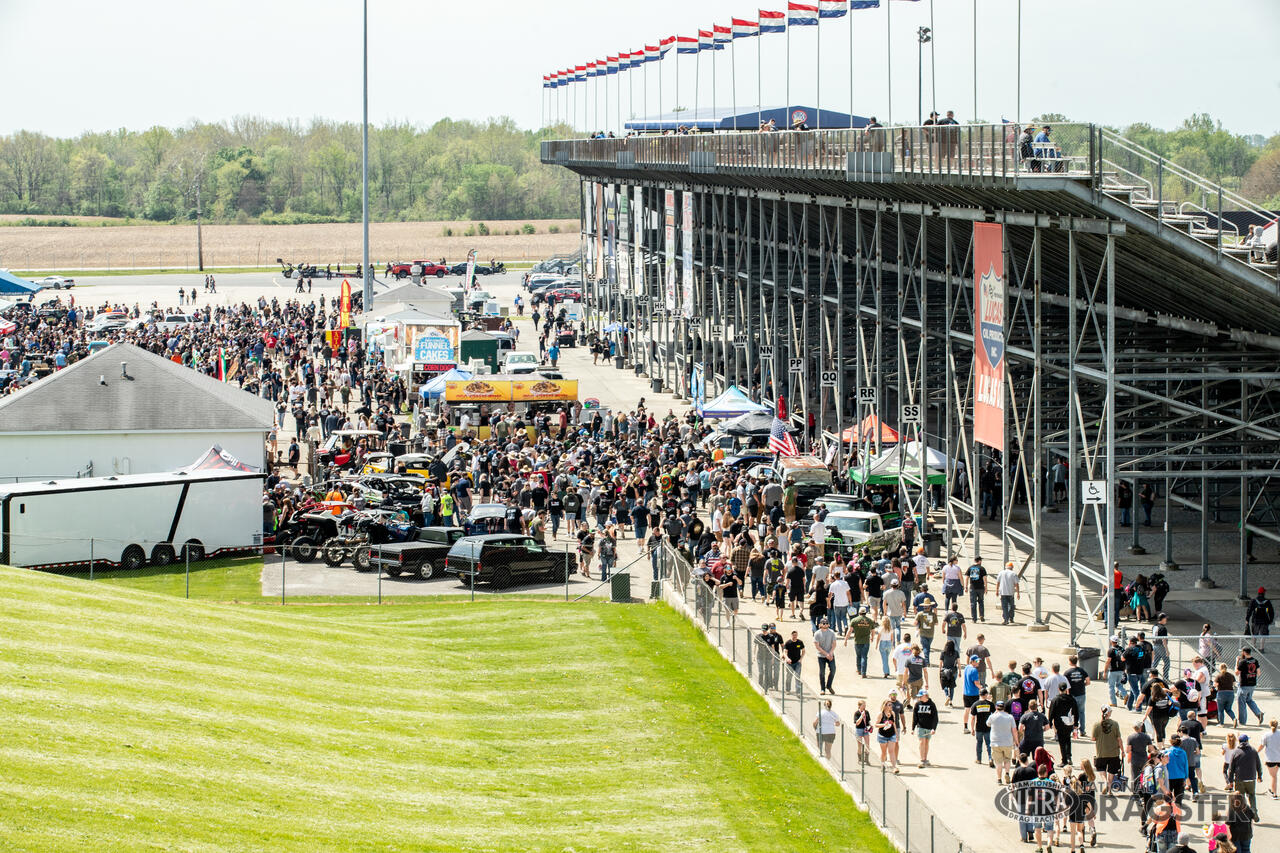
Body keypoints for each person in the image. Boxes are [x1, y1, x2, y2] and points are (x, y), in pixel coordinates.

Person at [1091, 705, 1124, 792]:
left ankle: (1105, 782)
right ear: (1109, 713)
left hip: (1101, 752)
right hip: (1114, 753)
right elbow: (1119, 739)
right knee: (1112, 771)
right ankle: (1109, 789)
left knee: (1101, 769)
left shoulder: (1097, 724)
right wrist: (1123, 751)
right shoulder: (1115, 724)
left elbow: (1093, 738)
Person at [1229, 733, 1263, 811]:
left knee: (1239, 797)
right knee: (1252, 795)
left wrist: (1230, 781)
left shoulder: (1236, 752)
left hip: (1239, 779)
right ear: (1247, 741)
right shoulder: (1253, 751)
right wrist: (1259, 776)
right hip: (1251, 778)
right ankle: (1253, 811)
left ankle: (1241, 813)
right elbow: (1258, 764)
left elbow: (1231, 768)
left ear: (1239, 741)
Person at [989, 699, 1019, 784]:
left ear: (996, 707)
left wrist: (994, 713)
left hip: (995, 742)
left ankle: (999, 779)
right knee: (1007, 759)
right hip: (1007, 742)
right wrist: (1016, 741)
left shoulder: (992, 717)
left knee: (998, 762)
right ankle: (1007, 773)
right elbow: (1014, 730)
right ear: (1004, 708)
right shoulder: (1010, 717)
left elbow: (988, 724)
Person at [1048, 684, 1078, 765]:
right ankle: (1069, 757)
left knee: (1062, 741)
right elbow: (1076, 711)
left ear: (1058, 689)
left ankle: (1064, 760)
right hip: (1069, 723)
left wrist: (1050, 722)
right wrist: (1076, 723)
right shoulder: (1072, 699)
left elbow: (1051, 712)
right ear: (1066, 689)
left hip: (1059, 723)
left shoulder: (1056, 700)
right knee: (1068, 739)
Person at [843, 605, 875, 678]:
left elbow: (849, 631)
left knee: (858, 656)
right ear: (865, 612)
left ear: (859, 612)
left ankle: (859, 670)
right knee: (864, 656)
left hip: (857, 641)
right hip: (866, 641)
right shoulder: (870, 621)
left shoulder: (854, 620)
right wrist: (872, 637)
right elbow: (873, 631)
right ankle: (864, 673)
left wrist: (846, 639)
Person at [1236, 646, 1265, 726]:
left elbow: (1236, 672)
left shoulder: (1243, 662)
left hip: (1244, 685)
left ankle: (1242, 721)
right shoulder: (1255, 661)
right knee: (1249, 700)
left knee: (1241, 703)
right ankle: (1258, 713)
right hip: (1252, 684)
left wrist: (1237, 662)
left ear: (1244, 652)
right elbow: (1258, 673)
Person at [912, 687, 939, 768]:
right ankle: (922, 759)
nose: (919, 698)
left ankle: (925, 758)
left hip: (929, 727)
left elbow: (935, 717)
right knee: (922, 742)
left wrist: (934, 728)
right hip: (920, 726)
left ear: (925, 695)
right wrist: (913, 728)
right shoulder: (917, 704)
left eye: (920, 696)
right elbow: (915, 717)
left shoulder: (932, 704)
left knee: (926, 742)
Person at [875, 698, 900, 773]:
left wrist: (896, 734)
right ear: (885, 706)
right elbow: (876, 725)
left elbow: (894, 724)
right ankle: (882, 764)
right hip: (882, 735)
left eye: (891, 705)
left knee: (891, 751)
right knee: (884, 752)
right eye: (889, 705)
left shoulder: (892, 713)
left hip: (891, 734)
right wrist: (883, 724)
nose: (891, 706)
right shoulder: (881, 714)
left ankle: (894, 767)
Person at [1245, 588, 1274, 653]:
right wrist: (1270, 620)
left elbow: (1249, 610)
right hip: (1265, 621)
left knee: (1254, 634)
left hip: (1255, 620)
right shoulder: (1267, 601)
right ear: (1264, 593)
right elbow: (1271, 612)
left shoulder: (1254, 601)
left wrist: (1247, 619)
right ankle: (1261, 648)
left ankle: (1253, 646)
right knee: (1263, 635)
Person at [813, 617, 837, 695]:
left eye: (827, 623)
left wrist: (830, 653)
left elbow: (834, 644)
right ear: (820, 624)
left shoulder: (832, 632)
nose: (825, 625)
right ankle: (822, 689)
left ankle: (829, 686)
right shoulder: (817, 633)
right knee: (822, 672)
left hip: (830, 655)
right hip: (821, 656)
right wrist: (826, 654)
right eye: (823, 623)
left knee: (833, 670)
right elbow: (817, 646)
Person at [971, 687, 995, 766]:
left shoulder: (975, 704)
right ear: (986, 695)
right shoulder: (990, 704)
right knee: (989, 744)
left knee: (979, 743)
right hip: (988, 727)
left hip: (979, 728)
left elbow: (973, 718)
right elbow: (994, 715)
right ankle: (990, 758)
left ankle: (979, 759)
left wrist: (972, 729)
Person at [996, 560, 1021, 625]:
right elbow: (1017, 584)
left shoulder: (1001, 573)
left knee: (1004, 607)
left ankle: (1006, 619)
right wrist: (1018, 593)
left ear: (1006, 567)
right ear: (1012, 567)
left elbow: (998, 582)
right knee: (1011, 606)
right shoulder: (1013, 574)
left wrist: (997, 590)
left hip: (1003, 592)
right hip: (1011, 593)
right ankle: (1011, 618)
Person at [1261, 718, 1280, 799]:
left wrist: (1256, 752)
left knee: (1273, 776)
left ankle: (1274, 793)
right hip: (1279, 758)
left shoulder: (1266, 735)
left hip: (1270, 759)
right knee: (1274, 776)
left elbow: (1262, 745)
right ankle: (1272, 790)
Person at [966, 555, 987, 621]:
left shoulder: (970, 568)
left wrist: (966, 587)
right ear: (979, 561)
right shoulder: (982, 568)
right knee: (981, 602)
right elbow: (985, 578)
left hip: (973, 587)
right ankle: (981, 615)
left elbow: (967, 578)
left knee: (973, 603)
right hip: (981, 587)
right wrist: (986, 587)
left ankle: (974, 618)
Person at [852, 699, 873, 765]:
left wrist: (870, 725)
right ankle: (860, 758)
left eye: (865, 705)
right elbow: (857, 723)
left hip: (865, 729)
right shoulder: (857, 713)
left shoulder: (867, 712)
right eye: (863, 705)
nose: (864, 707)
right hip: (859, 730)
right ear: (859, 706)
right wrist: (861, 716)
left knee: (867, 745)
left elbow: (868, 720)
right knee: (860, 746)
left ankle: (866, 759)